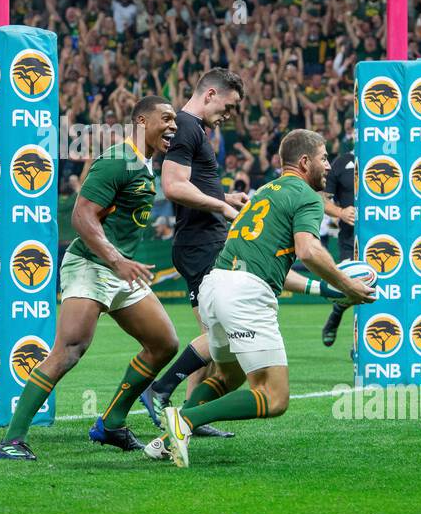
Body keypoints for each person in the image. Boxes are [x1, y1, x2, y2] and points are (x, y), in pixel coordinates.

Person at [156, 130, 375, 468]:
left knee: (228, 377)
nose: (329, 166)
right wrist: (347, 284)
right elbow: (309, 250)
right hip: (245, 295)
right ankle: (183, 422)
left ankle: (168, 436)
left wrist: (324, 288)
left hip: (216, 286)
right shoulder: (307, 196)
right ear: (304, 162)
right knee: (274, 398)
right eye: (324, 158)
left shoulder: (264, 194)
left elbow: (275, 262)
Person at [0, 96, 180, 461]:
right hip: (91, 265)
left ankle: (111, 423)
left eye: (175, 119)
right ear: (141, 121)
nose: (173, 125)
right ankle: (11, 441)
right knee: (70, 349)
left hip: (119, 269)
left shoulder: (143, 164)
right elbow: (81, 216)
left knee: (164, 344)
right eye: (166, 118)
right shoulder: (118, 159)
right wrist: (115, 259)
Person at [139, 68, 246, 439]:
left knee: (215, 338)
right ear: (211, 94)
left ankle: (190, 415)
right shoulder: (186, 126)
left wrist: (226, 198)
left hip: (201, 242)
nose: (229, 115)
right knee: (220, 334)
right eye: (228, 107)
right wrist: (222, 208)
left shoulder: (192, 129)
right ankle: (160, 389)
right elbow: (172, 187)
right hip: (201, 245)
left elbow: (191, 185)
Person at [320, 148, 357, 349]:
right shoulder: (342, 162)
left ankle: (362, 346)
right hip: (350, 239)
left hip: (386, 237)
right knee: (353, 285)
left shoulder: (388, 161)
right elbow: (321, 197)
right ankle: (337, 313)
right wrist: (340, 212)